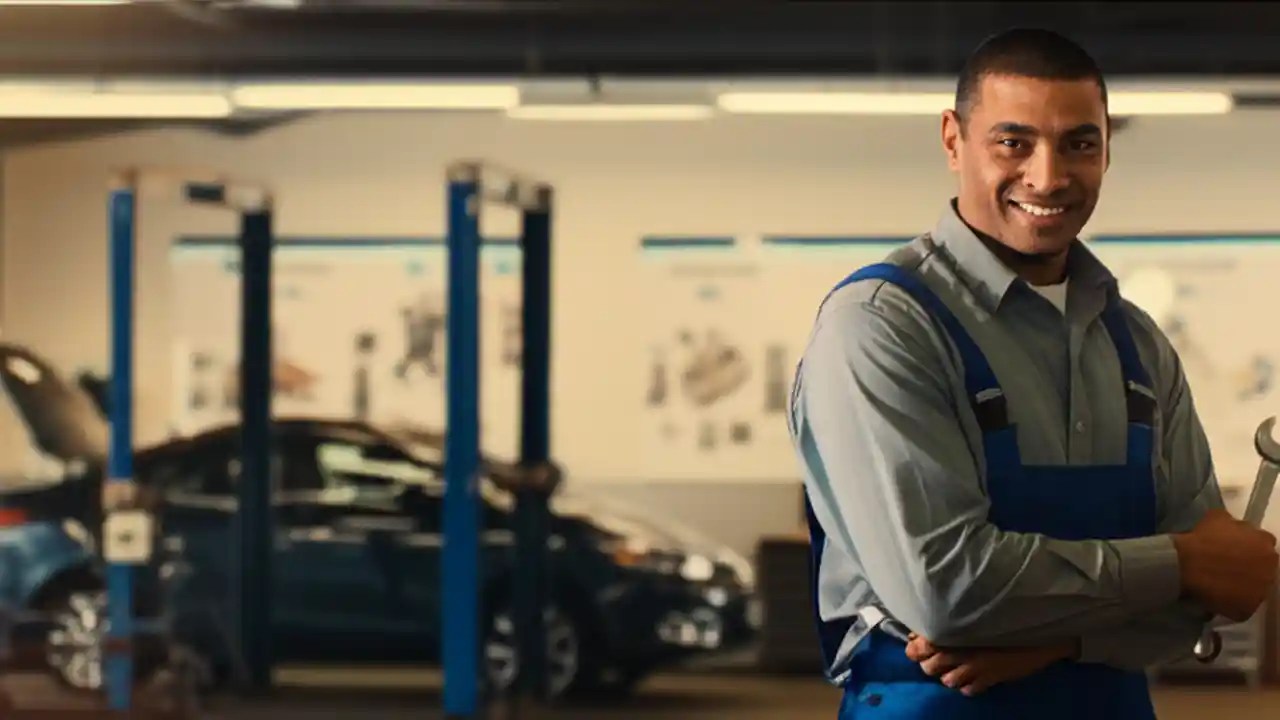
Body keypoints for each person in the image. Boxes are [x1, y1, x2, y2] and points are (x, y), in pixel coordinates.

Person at [787, 27, 1280, 719]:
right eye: (1013, 142)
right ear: (953, 140)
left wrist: (1059, 643)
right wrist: (1178, 564)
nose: (1048, 177)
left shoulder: (1136, 343)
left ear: (1108, 147)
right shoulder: (880, 325)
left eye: (1080, 142)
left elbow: (1207, 602)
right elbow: (947, 592)